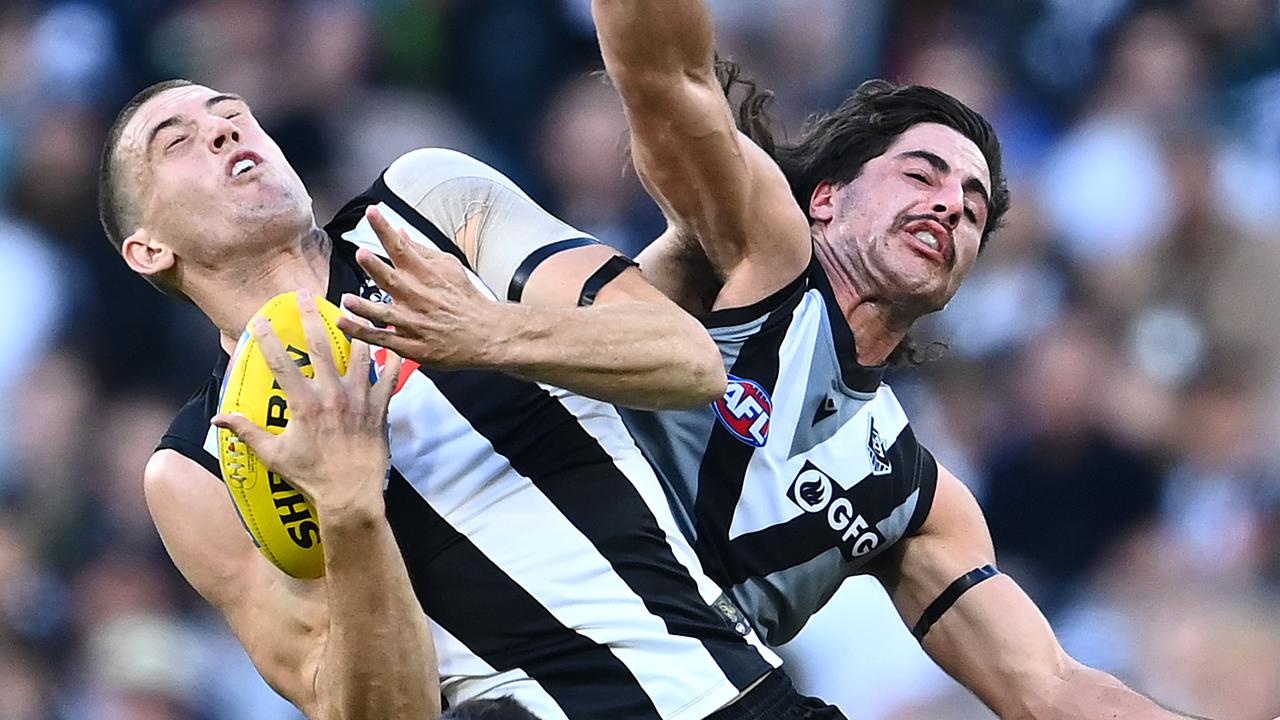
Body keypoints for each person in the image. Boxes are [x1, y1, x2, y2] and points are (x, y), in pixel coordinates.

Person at [343, 5, 1211, 720]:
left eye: (975, 207)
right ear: (826, 196)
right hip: (539, 661)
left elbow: (1049, 688)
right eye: (921, 174)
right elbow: (666, 78)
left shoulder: (916, 494)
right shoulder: (756, 257)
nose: (950, 203)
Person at [102, 79, 845, 719]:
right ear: (149, 250)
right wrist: (350, 509)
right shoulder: (197, 470)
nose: (226, 127)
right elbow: (371, 711)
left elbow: (688, 360)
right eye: (178, 141)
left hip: (735, 693)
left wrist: (487, 332)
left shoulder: (423, 208)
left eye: (231, 112)